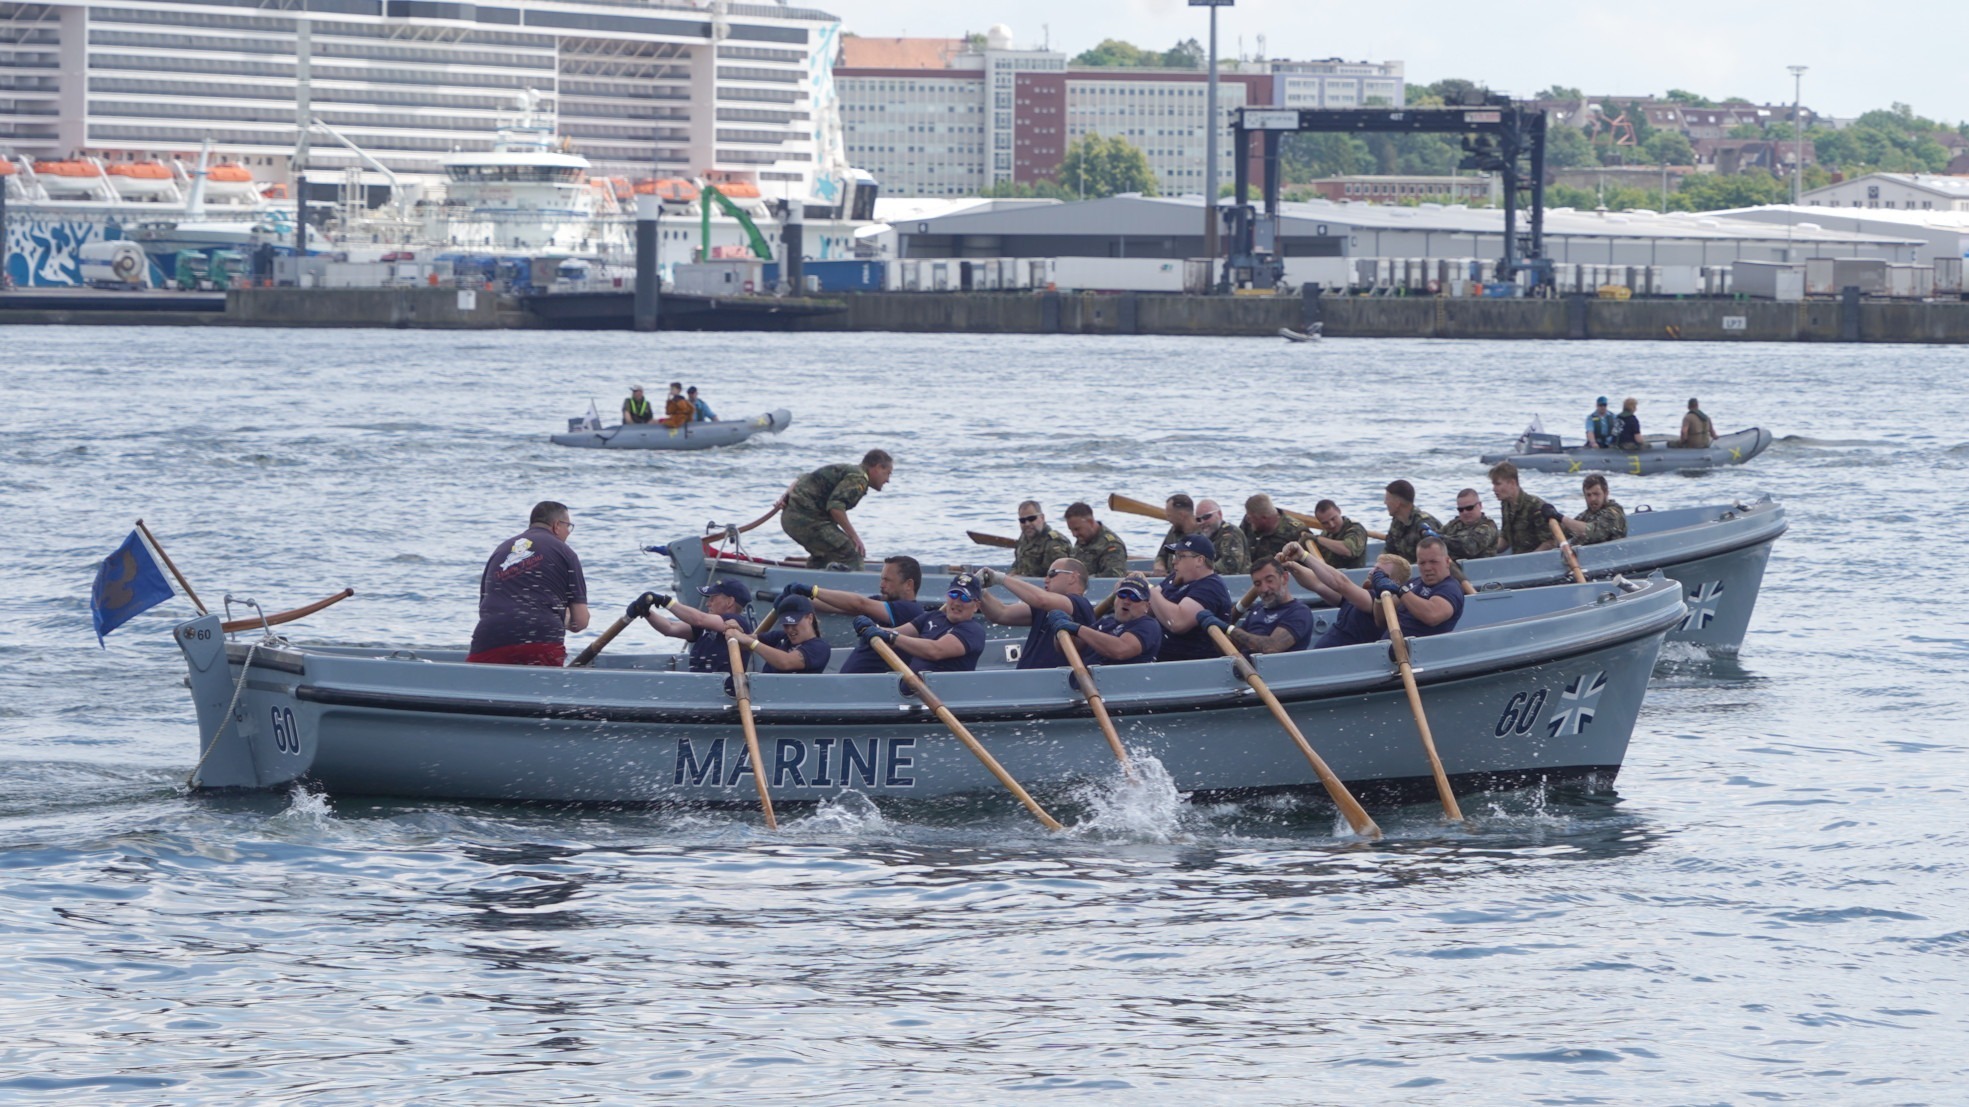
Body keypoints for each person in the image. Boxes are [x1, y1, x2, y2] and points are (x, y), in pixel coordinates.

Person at [467, 501, 589, 666]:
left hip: (490, 637)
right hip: (541, 638)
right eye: (568, 526)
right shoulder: (565, 553)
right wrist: (563, 618)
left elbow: (485, 606)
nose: (568, 532)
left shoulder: (500, 550)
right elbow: (580, 621)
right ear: (556, 525)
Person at [786, 555, 924, 675]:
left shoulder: (910, 610)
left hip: (870, 691)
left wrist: (813, 590)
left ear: (908, 585)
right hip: (851, 686)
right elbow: (839, 607)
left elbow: (859, 603)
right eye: (881, 579)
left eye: (887, 580)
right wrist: (799, 600)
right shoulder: (880, 603)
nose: (881, 585)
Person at [777, 449, 893, 569]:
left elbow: (803, 477)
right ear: (878, 468)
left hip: (795, 518)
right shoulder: (859, 478)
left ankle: (814, 581)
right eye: (888, 473)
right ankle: (852, 585)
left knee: (827, 555)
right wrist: (854, 537)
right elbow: (835, 507)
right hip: (804, 519)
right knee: (853, 551)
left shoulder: (850, 471)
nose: (888, 480)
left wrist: (786, 495)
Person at [1279, 541, 1405, 650]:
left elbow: (1341, 583)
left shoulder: (1378, 604)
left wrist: (1304, 556)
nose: (1372, 573)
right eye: (1374, 568)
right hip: (1322, 657)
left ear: (1394, 582)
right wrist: (1291, 565)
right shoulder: (1356, 599)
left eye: (1379, 572)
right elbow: (1317, 583)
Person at [854, 572, 987, 673]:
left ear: (976, 606)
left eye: (964, 597)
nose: (957, 602)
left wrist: (891, 636)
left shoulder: (973, 631)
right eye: (953, 595)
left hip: (942, 695)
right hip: (911, 691)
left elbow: (935, 650)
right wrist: (872, 627)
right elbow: (897, 633)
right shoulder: (932, 616)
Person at [976, 559, 1094, 670]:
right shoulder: (1044, 609)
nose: (1046, 579)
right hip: (1028, 680)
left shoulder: (1080, 604)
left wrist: (1000, 578)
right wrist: (979, 591)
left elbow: (1041, 599)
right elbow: (1001, 614)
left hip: (1052, 684)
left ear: (1073, 577)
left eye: (1052, 574)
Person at [1148, 533, 1236, 662]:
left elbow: (1176, 622)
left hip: (1188, 667)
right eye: (1174, 555)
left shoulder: (1210, 587)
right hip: (1157, 659)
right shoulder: (1176, 577)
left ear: (1199, 560)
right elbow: (1147, 605)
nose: (1173, 561)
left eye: (1180, 556)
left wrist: (1148, 589)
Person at [642, 578, 753, 674]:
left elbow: (699, 619)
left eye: (712, 599)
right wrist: (645, 611)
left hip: (721, 692)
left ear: (729, 602)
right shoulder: (708, 627)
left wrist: (665, 601)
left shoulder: (737, 623)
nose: (707, 604)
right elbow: (670, 628)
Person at [1216, 557, 1314, 655]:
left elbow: (1272, 647)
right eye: (1258, 584)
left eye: (1269, 581)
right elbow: (1237, 644)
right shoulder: (1258, 609)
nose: (1264, 589)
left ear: (1284, 578)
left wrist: (1229, 629)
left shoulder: (1299, 612)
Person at [1064, 575, 1162, 664]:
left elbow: (1120, 650)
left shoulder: (1149, 626)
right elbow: (1074, 645)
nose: (1126, 601)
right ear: (1115, 599)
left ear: (1146, 606)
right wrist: (1064, 627)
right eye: (1122, 595)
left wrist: (1078, 629)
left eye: (1134, 597)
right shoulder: (1106, 621)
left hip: (1121, 681)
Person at [726, 594, 830, 674]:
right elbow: (744, 642)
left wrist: (750, 642)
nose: (789, 630)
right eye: (786, 625)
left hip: (793, 699)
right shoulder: (781, 637)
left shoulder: (820, 648)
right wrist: (735, 631)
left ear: (809, 618)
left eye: (794, 623)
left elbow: (785, 662)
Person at [1489, 460, 1562, 555]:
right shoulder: (1506, 505)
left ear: (1512, 483)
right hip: (1518, 559)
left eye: (1498, 484)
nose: (1494, 489)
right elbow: (1506, 538)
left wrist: (1528, 560)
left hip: (1538, 561)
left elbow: (1550, 542)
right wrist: (1488, 550)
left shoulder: (1535, 506)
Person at [1381, 479, 1442, 562]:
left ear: (1397, 503)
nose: (1385, 503)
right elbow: (1389, 553)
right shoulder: (1397, 523)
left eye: (1387, 499)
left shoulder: (1424, 524)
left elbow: (1435, 559)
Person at [1063, 501, 1129, 578]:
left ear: (1090, 522)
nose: (1074, 534)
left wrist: (1081, 580)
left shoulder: (1111, 545)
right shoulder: (1083, 538)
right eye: (1071, 530)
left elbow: (1114, 576)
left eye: (1077, 529)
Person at [1560, 474, 1628, 546]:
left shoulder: (1614, 514)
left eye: (1596, 494)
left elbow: (1593, 532)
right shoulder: (1586, 515)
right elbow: (1566, 531)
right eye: (1588, 495)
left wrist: (1560, 518)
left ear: (1606, 493)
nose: (1592, 499)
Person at [1241, 493, 1310, 564]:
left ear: (1264, 518)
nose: (1248, 520)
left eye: (1250, 519)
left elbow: (1308, 562)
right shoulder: (1247, 522)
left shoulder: (1295, 531)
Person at [1010, 501, 1073, 577]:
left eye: (1031, 518)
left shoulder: (1054, 542)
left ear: (1042, 518)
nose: (1027, 524)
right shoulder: (1023, 538)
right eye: (1022, 520)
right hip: (1025, 583)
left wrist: (1023, 578)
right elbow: (1018, 563)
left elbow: (1058, 576)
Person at [1440, 488, 1499, 562]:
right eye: (1461, 510)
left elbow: (1471, 548)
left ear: (1480, 506)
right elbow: (1438, 535)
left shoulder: (1488, 526)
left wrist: (1442, 540)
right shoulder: (1454, 524)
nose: (1465, 512)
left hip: (1481, 568)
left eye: (1469, 508)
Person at [1194, 499, 1250, 576]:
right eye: (1198, 519)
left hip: (1235, 582)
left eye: (1206, 517)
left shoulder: (1231, 533)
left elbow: (1230, 565)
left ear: (1219, 514)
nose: (1202, 522)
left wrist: (1200, 570)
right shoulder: (1199, 537)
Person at [1307, 499, 1368, 569]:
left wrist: (1318, 539)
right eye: (1325, 523)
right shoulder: (1326, 533)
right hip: (1330, 573)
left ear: (1339, 511)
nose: (1331, 525)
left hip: (1351, 575)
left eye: (1333, 519)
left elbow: (1348, 550)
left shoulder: (1356, 529)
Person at [1152, 494, 1199, 574]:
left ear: (1181, 515)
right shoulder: (1173, 531)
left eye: (1170, 516)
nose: (1168, 520)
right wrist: (1159, 565)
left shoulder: (1203, 535)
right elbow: (1161, 555)